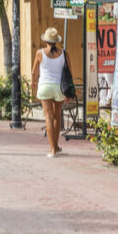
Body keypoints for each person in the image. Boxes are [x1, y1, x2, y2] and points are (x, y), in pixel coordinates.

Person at [31, 27, 67, 157]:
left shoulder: (39, 53)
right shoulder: (63, 53)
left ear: (46, 40)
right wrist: (69, 92)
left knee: (48, 117)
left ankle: (52, 150)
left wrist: (33, 83)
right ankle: (56, 146)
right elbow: (69, 73)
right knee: (57, 117)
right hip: (59, 87)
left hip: (45, 86)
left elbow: (35, 72)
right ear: (56, 41)